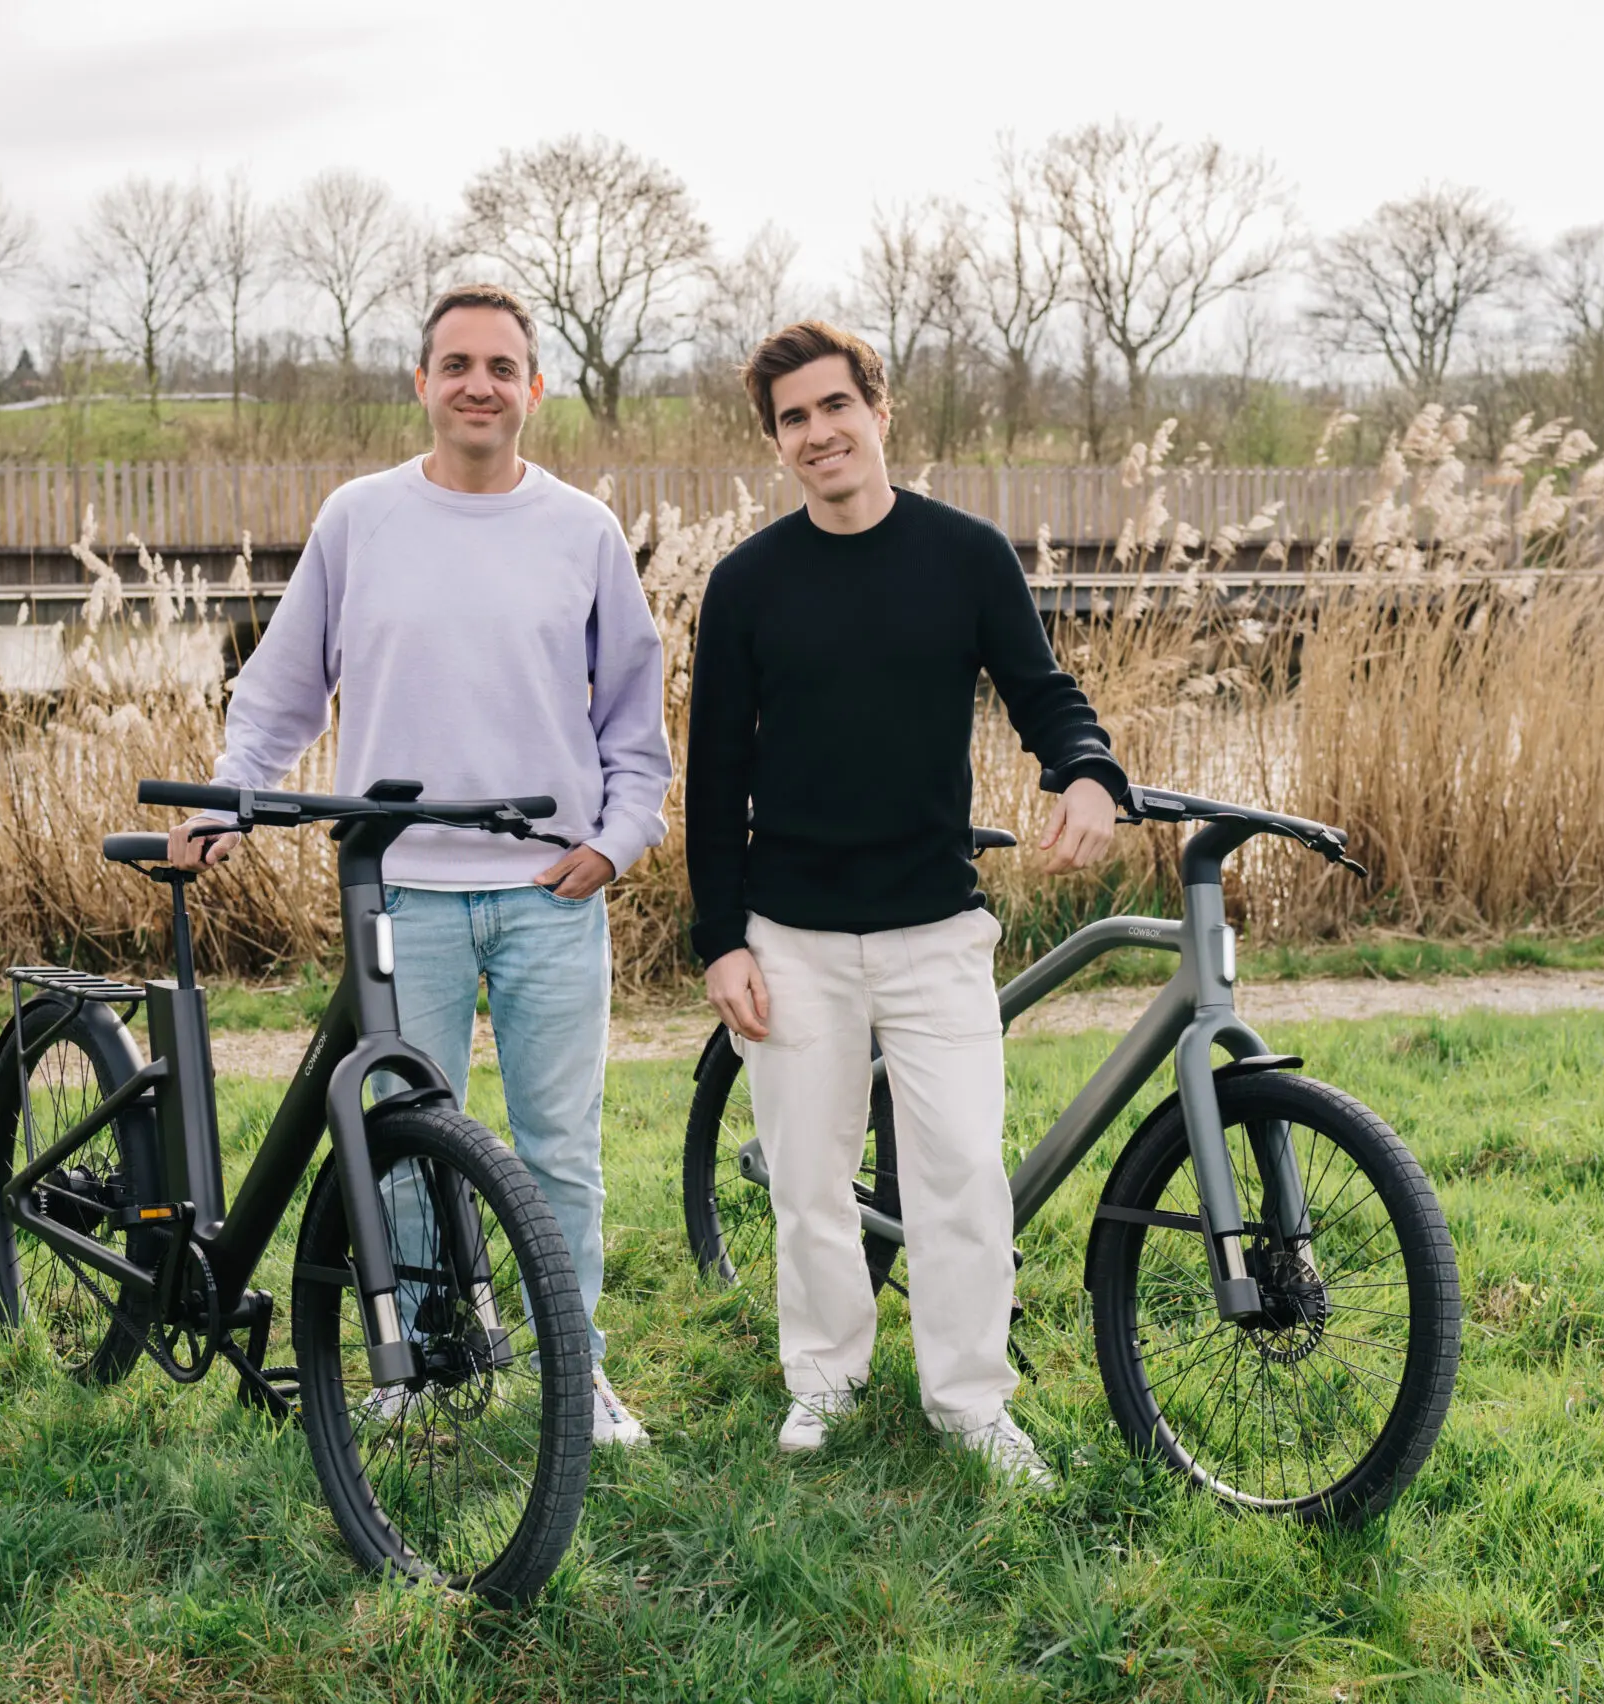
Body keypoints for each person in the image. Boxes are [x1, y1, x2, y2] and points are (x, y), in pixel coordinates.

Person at [170, 283, 672, 1447]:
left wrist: (614, 842)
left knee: (559, 1149)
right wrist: (235, 797)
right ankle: (417, 1363)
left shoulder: (583, 532)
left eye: (502, 366)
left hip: (549, 891)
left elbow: (636, 733)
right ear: (422, 383)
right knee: (396, 1147)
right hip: (399, 891)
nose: (479, 385)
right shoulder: (361, 518)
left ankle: (571, 1367)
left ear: (534, 389)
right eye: (456, 365)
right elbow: (283, 691)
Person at [686, 321, 1127, 1484]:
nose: (817, 432)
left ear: (881, 412)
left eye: (835, 407)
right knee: (810, 1182)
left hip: (937, 928)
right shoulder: (744, 586)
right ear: (776, 442)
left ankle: (971, 1404)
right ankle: (823, 1382)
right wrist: (720, 940)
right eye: (792, 419)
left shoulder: (966, 557)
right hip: (791, 936)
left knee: (961, 1178)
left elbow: (1044, 693)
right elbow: (712, 776)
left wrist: (1087, 770)